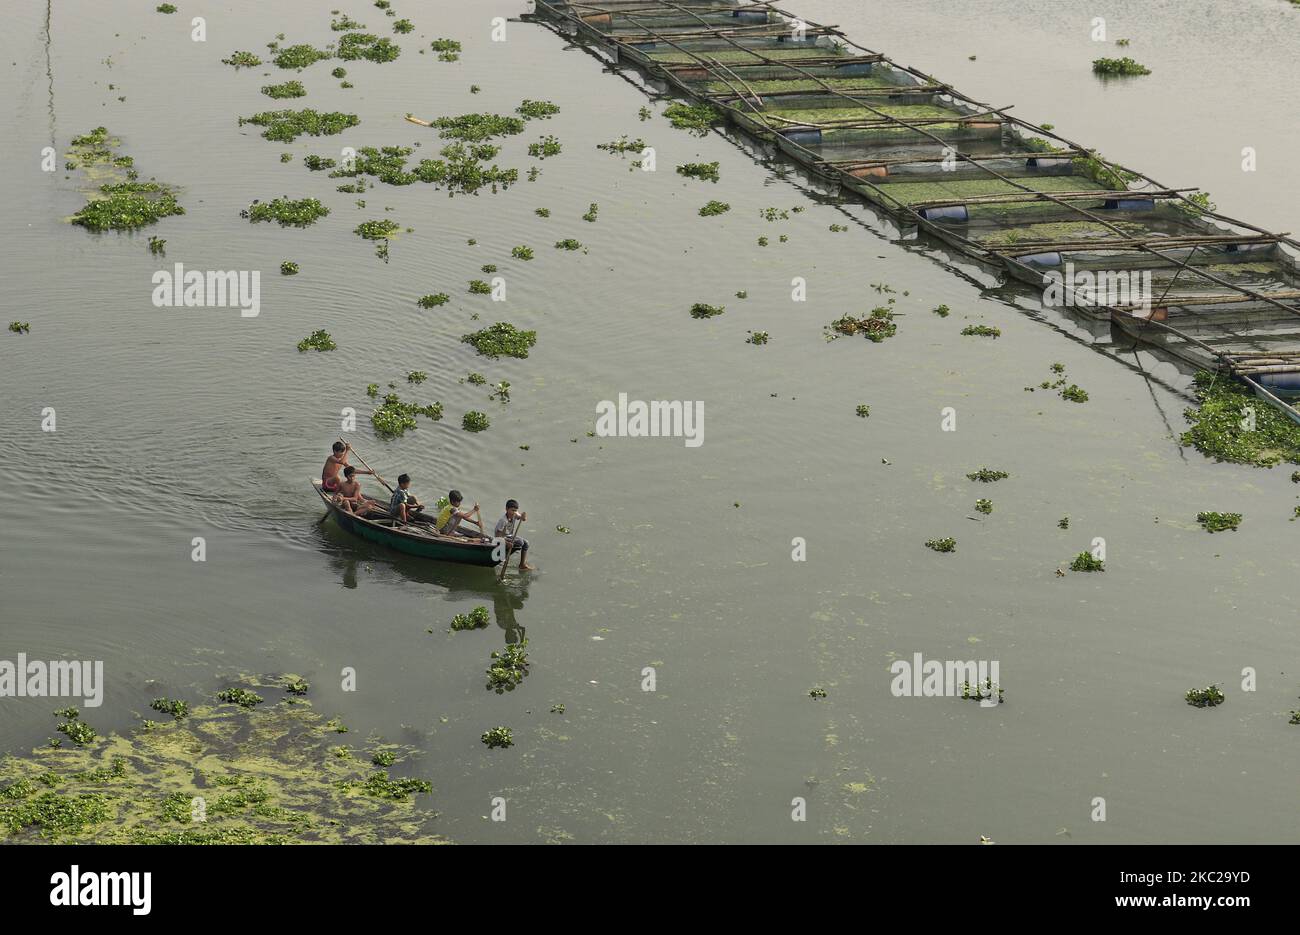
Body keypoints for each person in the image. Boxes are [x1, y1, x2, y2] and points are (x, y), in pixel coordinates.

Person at [494, 499, 534, 570]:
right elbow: (497, 536)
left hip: (509, 536)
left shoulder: (515, 514)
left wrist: (523, 516)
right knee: (520, 542)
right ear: (506, 509)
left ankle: (522, 564)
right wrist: (506, 543)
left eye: (515, 510)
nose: (514, 512)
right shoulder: (503, 520)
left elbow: (522, 518)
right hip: (502, 538)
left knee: (526, 543)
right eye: (512, 510)